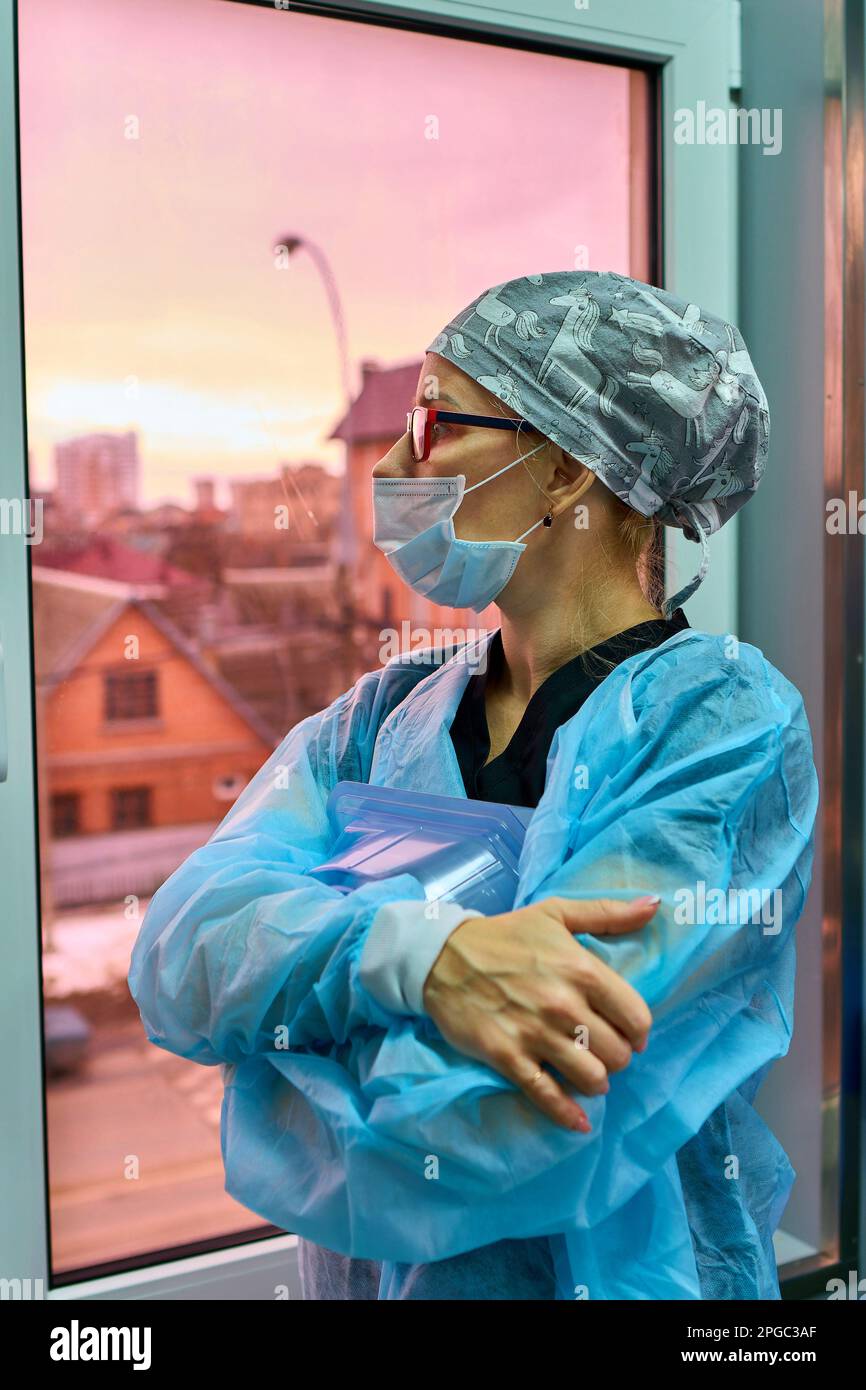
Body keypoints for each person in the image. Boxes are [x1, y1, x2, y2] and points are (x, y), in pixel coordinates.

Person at [128, 269, 819, 1300]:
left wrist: (286, 1013)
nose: (400, 459)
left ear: (568, 470)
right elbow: (178, 952)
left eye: (437, 417)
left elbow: (508, 1120)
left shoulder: (721, 731)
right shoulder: (374, 723)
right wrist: (415, 958)